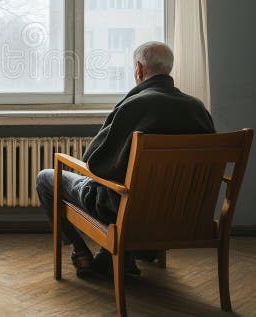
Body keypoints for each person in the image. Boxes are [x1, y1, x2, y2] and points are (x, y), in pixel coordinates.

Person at [36, 41, 215, 277]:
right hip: (181, 214)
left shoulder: (135, 105)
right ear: (168, 69)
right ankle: (121, 256)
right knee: (132, 189)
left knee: (46, 177)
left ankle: (81, 253)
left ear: (139, 69)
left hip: (128, 213)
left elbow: (94, 163)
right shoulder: (198, 108)